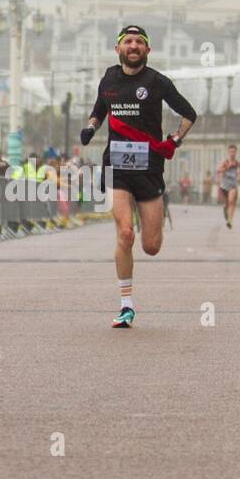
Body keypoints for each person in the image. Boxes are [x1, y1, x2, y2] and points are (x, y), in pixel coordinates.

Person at [79, 23, 196, 328]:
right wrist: (91, 127)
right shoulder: (108, 78)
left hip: (149, 169)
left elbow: (189, 113)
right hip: (116, 167)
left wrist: (174, 141)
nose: (133, 46)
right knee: (125, 233)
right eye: (127, 41)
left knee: (151, 246)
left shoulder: (157, 82)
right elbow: (99, 110)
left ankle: (157, 210)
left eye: (139, 42)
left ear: (147, 50)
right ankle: (126, 305)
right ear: (117, 48)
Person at [216, 145, 240, 229]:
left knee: (231, 201)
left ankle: (230, 220)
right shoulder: (225, 162)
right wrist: (226, 168)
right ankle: (225, 210)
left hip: (233, 184)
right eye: (231, 152)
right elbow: (218, 170)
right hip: (224, 184)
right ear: (228, 152)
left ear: (236, 152)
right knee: (227, 203)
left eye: (234, 152)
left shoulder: (237, 163)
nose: (232, 153)